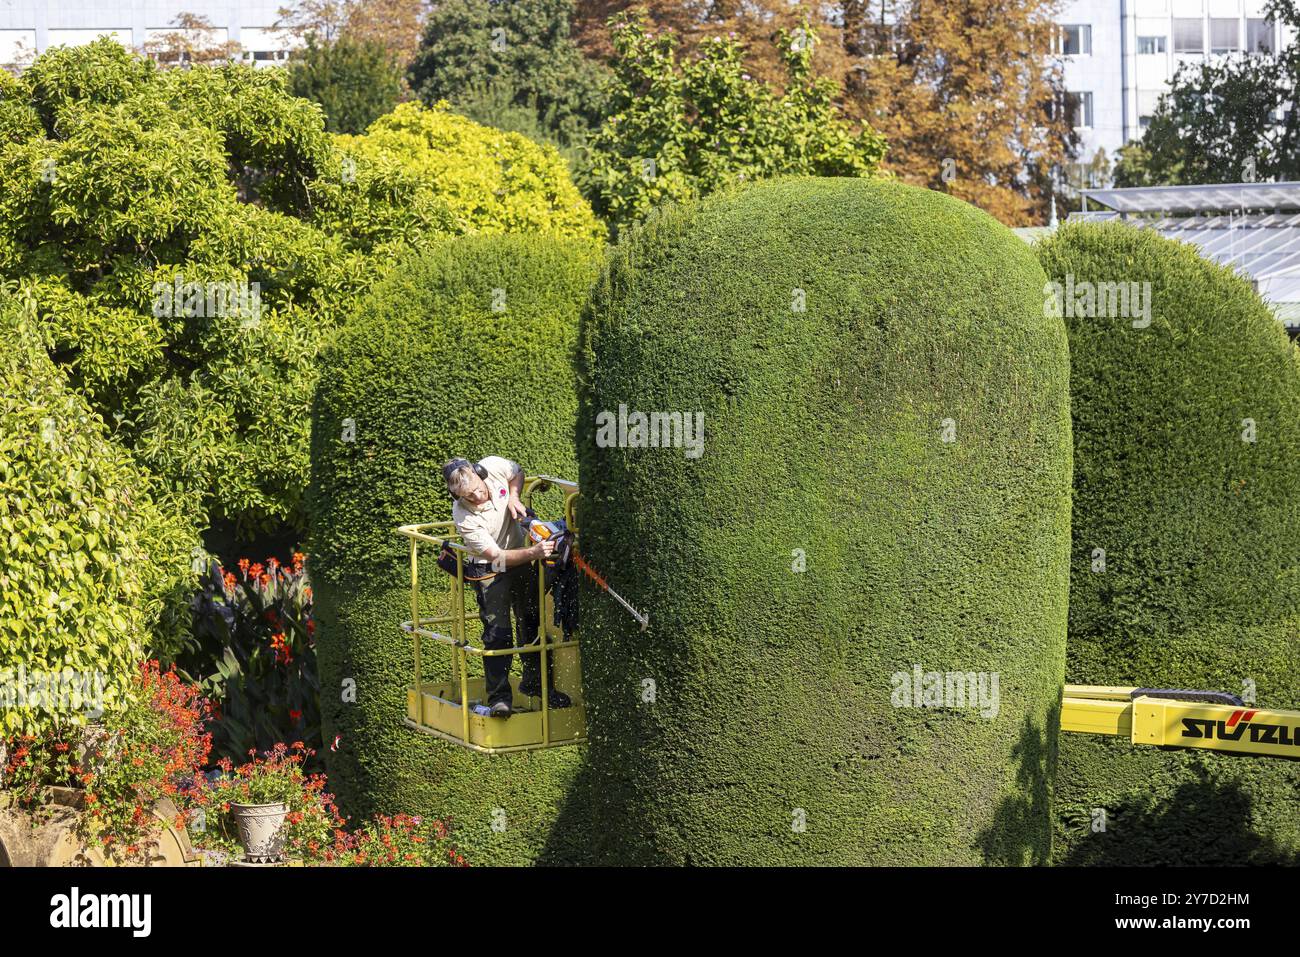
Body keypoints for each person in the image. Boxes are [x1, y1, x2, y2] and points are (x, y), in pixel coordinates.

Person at [443, 456, 572, 717]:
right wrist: (534, 552)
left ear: (481, 473)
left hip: (521, 553)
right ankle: (499, 699)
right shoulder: (463, 515)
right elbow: (496, 557)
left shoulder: (493, 466)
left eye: (479, 489)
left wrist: (514, 495)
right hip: (491, 568)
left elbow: (518, 472)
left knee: (531, 619)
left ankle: (537, 686)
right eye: (469, 496)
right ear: (456, 496)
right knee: (497, 633)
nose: (478, 497)